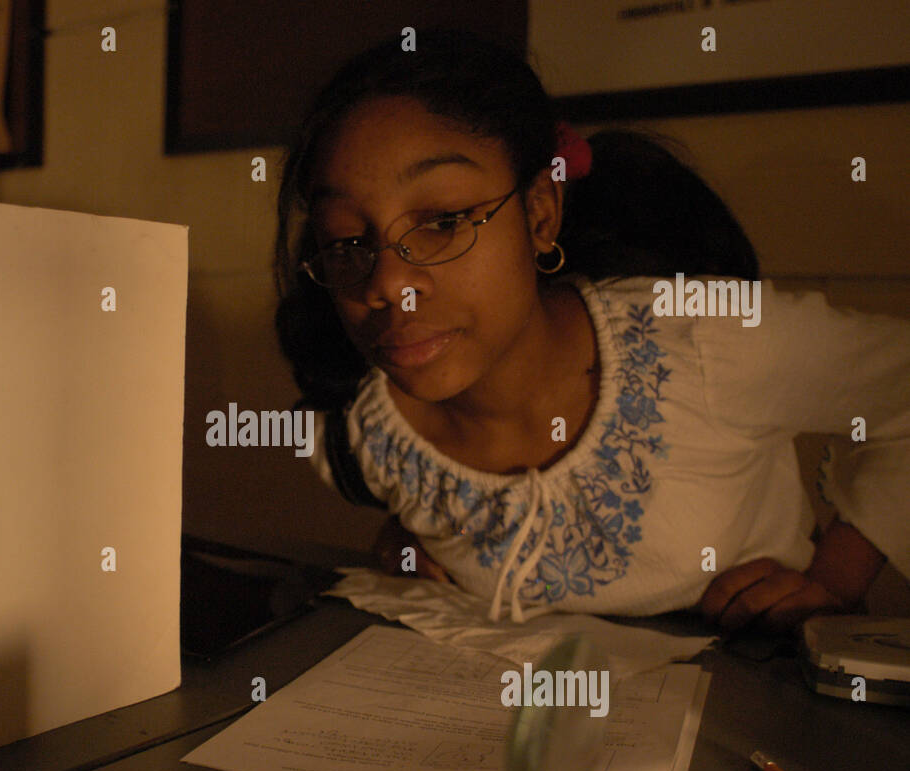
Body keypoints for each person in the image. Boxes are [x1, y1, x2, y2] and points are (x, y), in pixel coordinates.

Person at [274, 30, 909, 636]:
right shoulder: (362, 433)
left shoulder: (705, 341)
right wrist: (402, 544)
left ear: (540, 212)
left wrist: (836, 579)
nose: (387, 283)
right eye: (347, 241)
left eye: (442, 221)